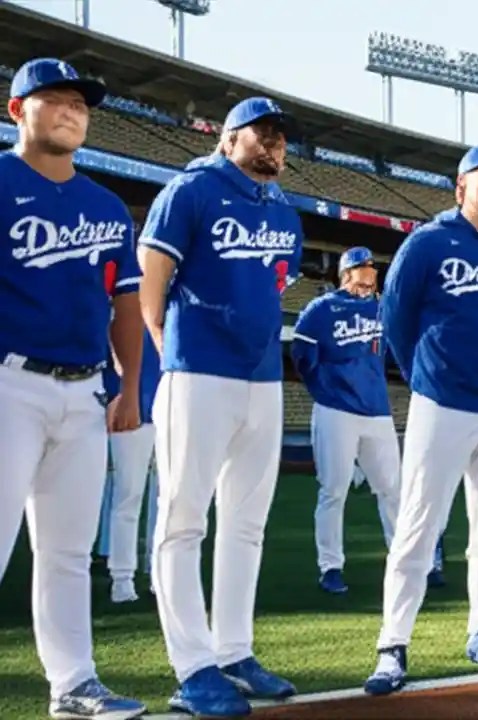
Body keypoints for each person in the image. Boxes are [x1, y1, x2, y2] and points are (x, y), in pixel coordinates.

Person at [139, 95, 305, 716]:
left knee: (246, 524)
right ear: (229, 138)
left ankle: (234, 650)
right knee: (183, 520)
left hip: (262, 380)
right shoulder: (190, 191)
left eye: (280, 138)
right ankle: (193, 666)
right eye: (262, 134)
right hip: (198, 374)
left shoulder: (285, 211)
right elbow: (151, 281)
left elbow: (273, 286)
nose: (274, 145)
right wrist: (170, 350)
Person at [0, 57, 147, 719]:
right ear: (16, 110)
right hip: (10, 382)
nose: (70, 111)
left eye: (81, 104)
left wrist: (130, 387)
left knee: (65, 551)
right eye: (54, 99)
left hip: (85, 393)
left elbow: (123, 306)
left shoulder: (107, 205)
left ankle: (74, 684)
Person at [364, 144, 478, 695]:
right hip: (441, 402)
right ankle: (393, 645)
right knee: (419, 523)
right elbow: (396, 317)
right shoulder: (428, 242)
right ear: (460, 185)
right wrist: (427, 373)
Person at [291, 246, 401, 595]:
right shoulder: (321, 309)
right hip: (336, 409)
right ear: (347, 272)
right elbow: (302, 356)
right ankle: (330, 567)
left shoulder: (383, 308)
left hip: (377, 411)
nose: (372, 272)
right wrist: (326, 390)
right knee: (334, 490)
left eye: (373, 266)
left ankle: (404, 561)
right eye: (365, 266)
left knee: (392, 489)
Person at [101, 332, 162, 604]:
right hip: (130, 409)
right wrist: (114, 396)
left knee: (166, 499)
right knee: (128, 495)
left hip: (168, 409)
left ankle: (159, 572)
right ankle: (122, 578)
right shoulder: (125, 303)